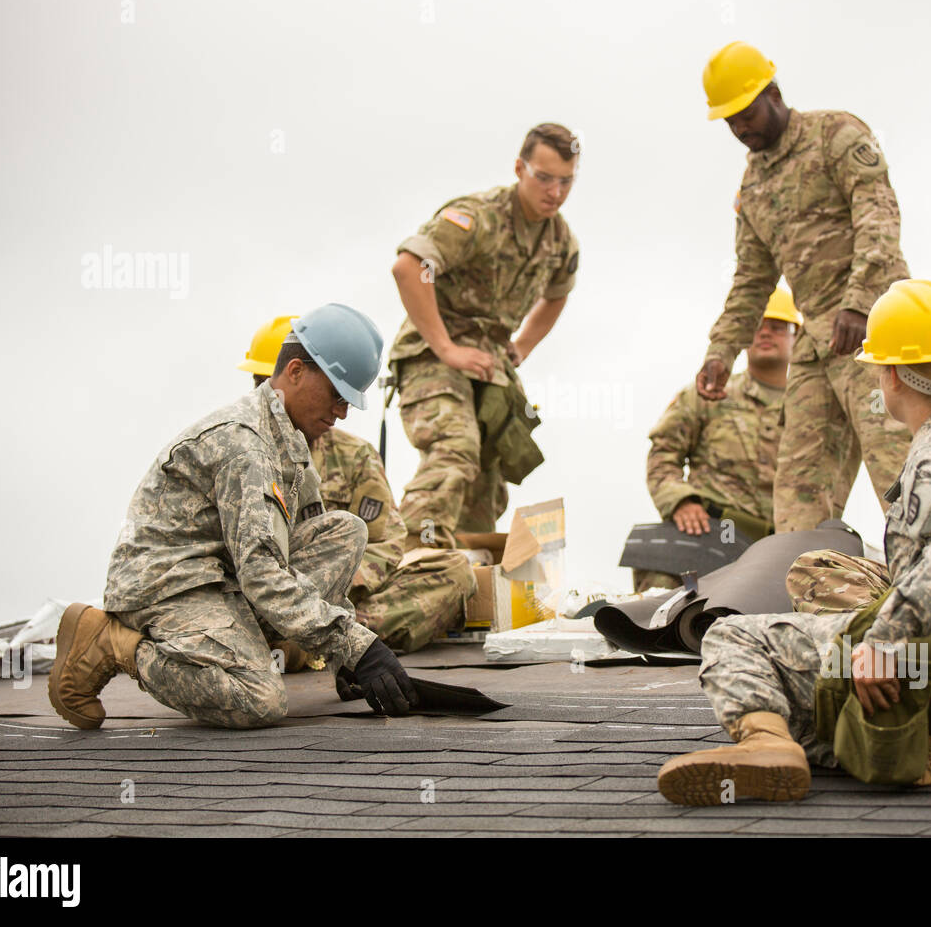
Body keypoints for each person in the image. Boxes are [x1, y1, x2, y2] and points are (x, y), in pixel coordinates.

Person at [658, 280, 931, 805]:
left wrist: (882, 642)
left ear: (892, 375)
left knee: (734, 638)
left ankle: (769, 746)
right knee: (826, 686)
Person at [49, 304, 419, 730]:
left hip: (222, 579)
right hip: (169, 586)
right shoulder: (246, 445)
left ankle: (235, 646)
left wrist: (344, 656)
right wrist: (358, 645)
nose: (342, 412)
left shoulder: (291, 442)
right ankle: (111, 642)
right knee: (259, 699)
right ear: (296, 371)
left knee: (346, 531)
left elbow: (298, 560)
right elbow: (262, 574)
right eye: (338, 395)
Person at [694, 41, 912, 533]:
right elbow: (751, 280)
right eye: (729, 122)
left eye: (746, 114)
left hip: (879, 329)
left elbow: (879, 218)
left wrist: (859, 303)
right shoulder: (752, 188)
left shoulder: (835, 135)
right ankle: (803, 578)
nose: (740, 129)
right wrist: (720, 352)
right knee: (799, 485)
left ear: (773, 94)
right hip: (816, 343)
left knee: (900, 465)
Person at [390, 123, 581, 549]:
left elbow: (557, 294)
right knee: (454, 448)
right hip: (431, 355)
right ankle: (409, 559)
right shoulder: (478, 217)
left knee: (484, 480)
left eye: (566, 181)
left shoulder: (560, 242)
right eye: (544, 178)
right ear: (519, 168)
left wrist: (523, 345)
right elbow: (409, 267)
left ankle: (458, 578)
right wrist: (446, 348)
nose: (555, 192)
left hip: (489, 368)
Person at [238, 315, 476, 656]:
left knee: (453, 571)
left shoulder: (354, 456)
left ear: (297, 374)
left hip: (340, 596)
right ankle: (317, 640)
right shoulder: (237, 446)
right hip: (260, 600)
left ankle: (323, 639)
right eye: (262, 382)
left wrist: (344, 578)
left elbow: (387, 541)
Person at [634, 287, 796, 591]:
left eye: (778, 327)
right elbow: (663, 453)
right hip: (708, 538)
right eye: (757, 326)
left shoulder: (811, 412)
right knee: (660, 595)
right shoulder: (708, 394)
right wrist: (680, 500)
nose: (765, 333)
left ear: (797, 337)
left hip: (778, 550)